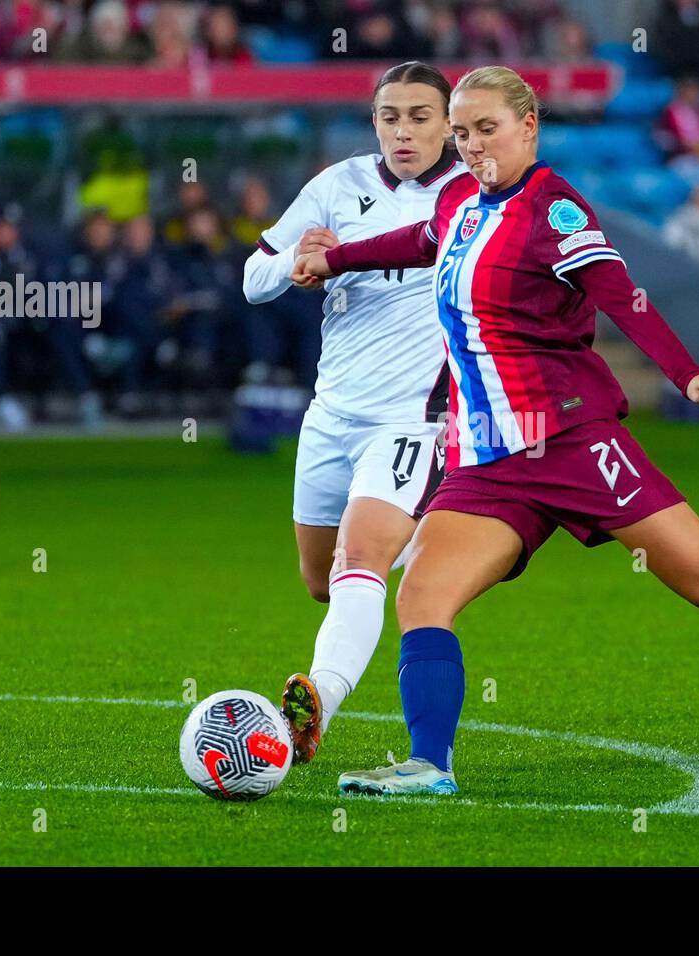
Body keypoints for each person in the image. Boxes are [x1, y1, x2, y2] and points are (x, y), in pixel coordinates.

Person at [293, 66, 699, 796]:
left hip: (573, 443)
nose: (473, 146)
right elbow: (418, 241)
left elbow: (620, 294)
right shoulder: (462, 208)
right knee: (422, 595)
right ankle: (429, 765)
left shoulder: (554, 208)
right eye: (463, 134)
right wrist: (334, 259)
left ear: (528, 126)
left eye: (488, 130)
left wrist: (684, 372)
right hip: (485, 459)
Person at [242, 61, 466, 764]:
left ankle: (318, 704)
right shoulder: (338, 185)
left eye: (420, 117)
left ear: (447, 125)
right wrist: (296, 263)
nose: (403, 131)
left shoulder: (470, 196)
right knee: (322, 580)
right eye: (389, 116)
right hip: (330, 416)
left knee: (359, 555)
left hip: (411, 420)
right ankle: (422, 537)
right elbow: (253, 280)